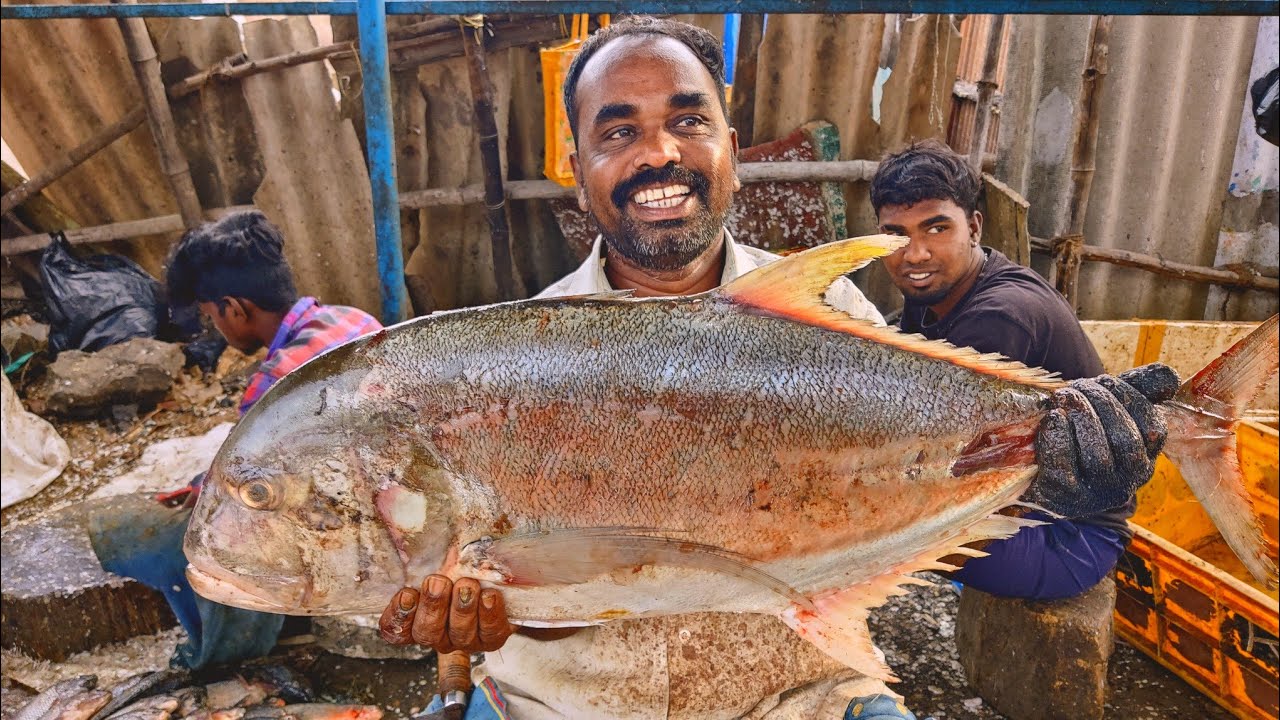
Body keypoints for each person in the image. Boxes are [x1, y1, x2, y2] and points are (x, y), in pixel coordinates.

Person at [378, 17, 1165, 720]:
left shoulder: (839, 321)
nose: (659, 153)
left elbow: (924, 484)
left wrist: (1047, 479)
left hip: (802, 697)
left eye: (689, 120)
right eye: (618, 133)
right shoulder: (512, 360)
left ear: (731, 149)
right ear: (578, 167)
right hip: (563, 702)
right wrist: (465, 614)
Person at [870, 140, 1169, 600]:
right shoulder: (943, 288)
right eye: (896, 234)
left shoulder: (999, 317)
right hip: (1020, 504)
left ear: (973, 227)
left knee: (864, 530)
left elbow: (937, 458)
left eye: (935, 228)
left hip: (1070, 536)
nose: (915, 254)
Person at [94, 210, 382, 670]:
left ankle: (221, 659)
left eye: (212, 317)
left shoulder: (274, 385)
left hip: (338, 532)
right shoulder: (353, 319)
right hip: (388, 504)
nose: (218, 332)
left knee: (200, 542)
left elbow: (250, 487)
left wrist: (202, 493)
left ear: (235, 308)